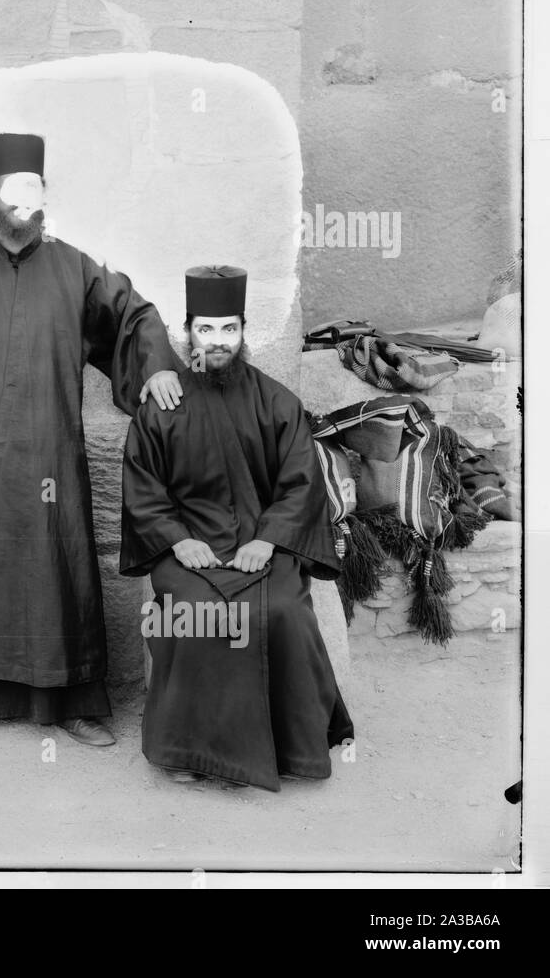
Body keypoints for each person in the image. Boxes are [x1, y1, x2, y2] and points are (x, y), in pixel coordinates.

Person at [0, 132, 182, 749]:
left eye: (33, 195)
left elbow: (134, 315)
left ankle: (71, 703)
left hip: (51, 455)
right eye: (11, 193)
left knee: (56, 573)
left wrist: (154, 365)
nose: (23, 206)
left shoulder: (75, 269)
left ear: (44, 200)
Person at [120, 265, 355, 791]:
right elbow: (143, 487)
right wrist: (179, 541)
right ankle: (188, 749)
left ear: (243, 331)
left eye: (229, 329)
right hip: (188, 551)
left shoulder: (277, 402)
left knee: (279, 611)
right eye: (206, 329)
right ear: (189, 331)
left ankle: (289, 748)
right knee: (193, 611)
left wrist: (266, 539)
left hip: (263, 546)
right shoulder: (163, 406)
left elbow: (301, 485)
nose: (218, 341)